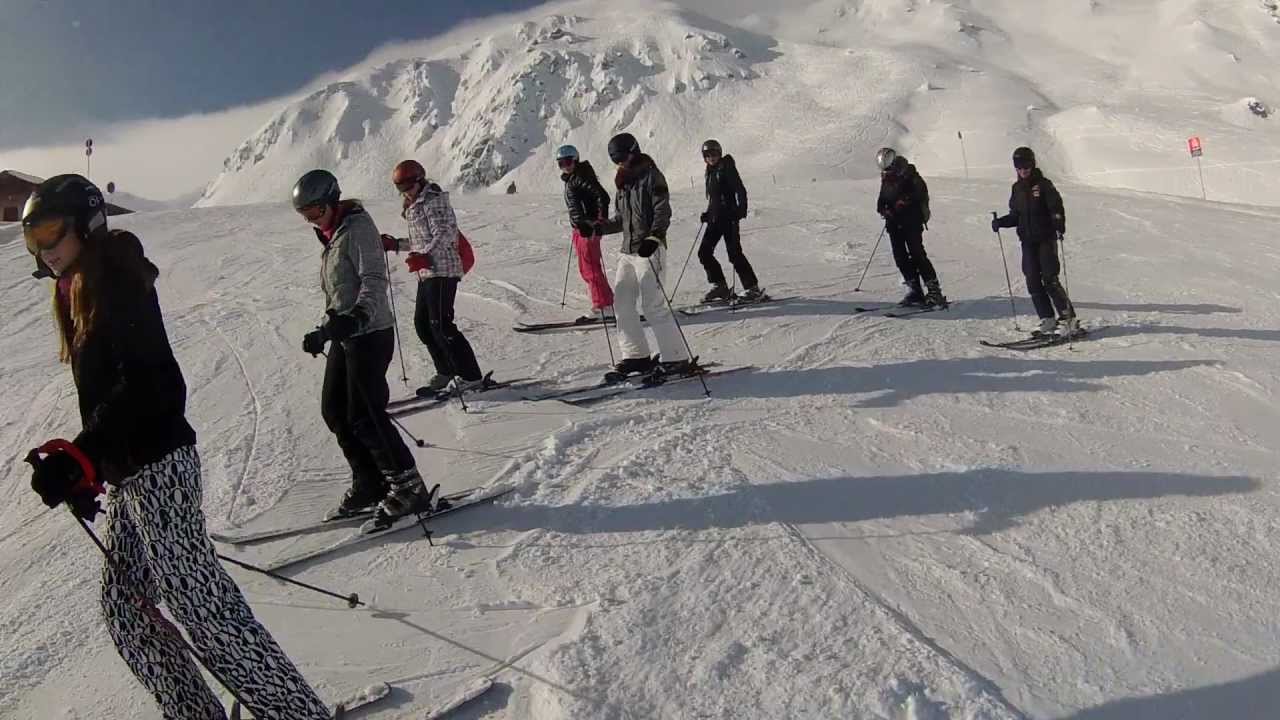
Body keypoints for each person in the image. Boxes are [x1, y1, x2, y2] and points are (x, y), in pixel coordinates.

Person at [21, 174, 330, 720]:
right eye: (31, 238)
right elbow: (112, 398)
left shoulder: (114, 276)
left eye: (48, 232)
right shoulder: (78, 289)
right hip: (132, 471)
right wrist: (91, 468)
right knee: (127, 612)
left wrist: (83, 453)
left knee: (201, 605)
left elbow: (152, 386)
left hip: (161, 464)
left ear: (86, 224)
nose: (42, 250)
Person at [292, 169, 434, 526]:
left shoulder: (357, 229)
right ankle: (370, 482)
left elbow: (374, 280)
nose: (312, 219)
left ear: (332, 201)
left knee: (365, 414)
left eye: (315, 211)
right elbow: (340, 291)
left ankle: (408, 486)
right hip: (346, 333)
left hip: (370, 332)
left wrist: (356, 317)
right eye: (305, 214)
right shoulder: (333, 234)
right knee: (335, 411)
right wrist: (324, 331)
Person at [381, 160, 485, 392]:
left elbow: (446, 234)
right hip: (428, 272)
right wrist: (396, 244)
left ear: (419, 180)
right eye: (400, 188)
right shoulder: (414, 204)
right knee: (423, 325)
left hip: (444, 269)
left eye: (407, 186)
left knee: (441, 324)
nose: (405, 192)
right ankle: (446, 370)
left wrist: (426, 256)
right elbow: (423, 241)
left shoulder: (433, 200)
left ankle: (470, 376)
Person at [598, 132, 695, 377]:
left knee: (653, 306)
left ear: (633, 151)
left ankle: (676, 358)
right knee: (622, 305)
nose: (618, 163)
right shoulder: (623, 183)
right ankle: (636, 356)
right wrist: (598, 227)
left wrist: (654, 237)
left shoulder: (652, 177)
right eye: (614, 160)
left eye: (621, 157)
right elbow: (622, 219)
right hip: (628, 252)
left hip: (650, 250)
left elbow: (663, 210)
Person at [991, 146, 1078, 336]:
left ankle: (1068, 318)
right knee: (1032, 280)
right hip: (1028, 241)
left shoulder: (1044, 185)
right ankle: (1047, 318)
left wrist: (1058, 223)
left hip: (1046, 238)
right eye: (1019, 166)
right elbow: (1016, 216)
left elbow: (1056, 206)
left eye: (1027, 166)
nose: (1023, 170)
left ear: (1033, 164)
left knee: (1050, 279)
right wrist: (1001, 222)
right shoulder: (1017, 189)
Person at [876, 147, 946, 307]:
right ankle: (915, 290)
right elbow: (881, 199)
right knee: (900, 257)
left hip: (911, 222)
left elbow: (919, 192)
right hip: (894, 224)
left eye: (888, 167)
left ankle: (934, 291)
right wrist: (884, 209)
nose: (887, 171)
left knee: (917, 254)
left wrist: (904, 202)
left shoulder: (909, 174)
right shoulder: (887, 178)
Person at [698, 139, 764, 303]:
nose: (711, 158)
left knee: (734, 254)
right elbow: (715, 197)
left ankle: (752, 288)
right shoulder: (711, 171)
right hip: (715, 219)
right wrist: (708, 213)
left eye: (714, 154)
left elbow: (739, 189)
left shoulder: (726, 168)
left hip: (729, 218)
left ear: (719, 154)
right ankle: (719, 285)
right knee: (704, 252)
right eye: (707, 155)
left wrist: (740, 209)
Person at [556, 144, 615, 320]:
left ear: (575, 160)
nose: (565, 166)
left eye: (567, 161)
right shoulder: (574, 178)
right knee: (586, 268)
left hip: (588, 229)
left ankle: (603, 307)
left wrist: (596, 222)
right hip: (580, 229)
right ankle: (606, 303)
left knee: (591, 268)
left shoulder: (581, 177)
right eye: (560, 163)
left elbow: (603, 197)